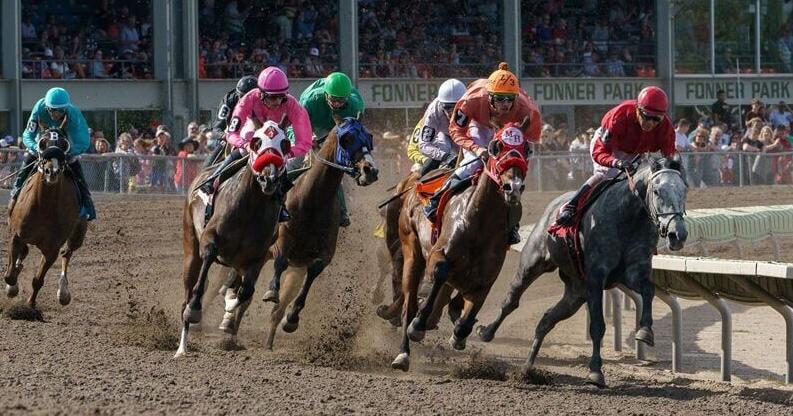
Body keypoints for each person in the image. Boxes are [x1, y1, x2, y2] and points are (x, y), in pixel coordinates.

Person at [423, 63, 542, 244]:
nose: (505, 105)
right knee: (474, 162)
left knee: (512, 178)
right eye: (500, 99)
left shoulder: (527, 110)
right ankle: (439, 196)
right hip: (479, 123)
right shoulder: (471, 100)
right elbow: (456, 131)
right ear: (489, 97)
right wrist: (477, 149)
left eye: (510, 99)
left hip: (509, 129)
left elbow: (530, 140)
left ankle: (512, 225)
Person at [198, 66, 312, 222]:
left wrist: (288, 153)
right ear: (261, 94)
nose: (277, 102)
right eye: (272, 97)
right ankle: (214, 179)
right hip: (254, 127)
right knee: (245, 149)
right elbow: (232, 133)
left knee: (282, 158)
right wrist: (245, 145)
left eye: (281, 97)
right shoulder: (248, 99)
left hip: (277, 132)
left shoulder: (294, 105)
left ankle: (280, 203)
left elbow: (305, 142)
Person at [554, 86, 676, 226]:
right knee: (606, 174)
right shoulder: (619, 116)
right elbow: (600, 152)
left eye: (656, 119)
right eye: (647, 117)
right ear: (637, 109)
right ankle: (571, 206)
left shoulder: (666, 128)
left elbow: (670, 159)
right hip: (610, 148)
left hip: (636, 152)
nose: (651, 123)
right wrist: (616, 163)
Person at [287, 71, 364, 227]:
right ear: (325, 94)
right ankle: (277, 198)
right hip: (310, 124)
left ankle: (342, 210)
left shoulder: (355, 106)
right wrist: (308, 138)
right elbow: (295, 126)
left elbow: (354, 133)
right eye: (333, 100)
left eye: (341, 101)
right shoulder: (310, 101)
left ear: (347, 98)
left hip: (337, 128)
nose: (337, 104)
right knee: (295, 161)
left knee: (334, 167)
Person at [10, 87, 95, 220]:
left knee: (75, 166)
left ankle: (87, 202)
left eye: (60, 110)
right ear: (47, 107)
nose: (56, 114)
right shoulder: (39, 107)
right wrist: (35, 147)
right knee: (28, 160)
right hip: (42, 144)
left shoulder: (73, 114)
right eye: (52, 110)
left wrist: (69, 152)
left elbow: (83, 141)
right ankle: (16, 189)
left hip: (65, 146)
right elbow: (28, 135)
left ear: (66, 108)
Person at [204, 75, 259, 168]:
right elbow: (217, 127)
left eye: (251, 98)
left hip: (256, 135)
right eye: (243, 97)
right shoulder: (229, 101)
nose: (247, 101)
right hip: (232, 134)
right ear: (238, 95)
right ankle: (209, 175)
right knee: (208, 164)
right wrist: (224, 136)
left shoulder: (265, 101)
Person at [416, 78, 467, 176]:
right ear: (440, 104)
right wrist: (445, 156)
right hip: (443, 134)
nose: (452, 113)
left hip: (462, 136)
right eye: (447, 107)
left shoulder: (472, 106)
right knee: (444, 147)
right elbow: (424, 145)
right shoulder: (433, 113)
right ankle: (420, 180)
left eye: (457, 107)